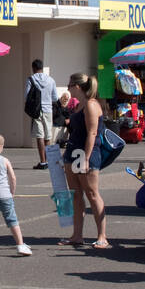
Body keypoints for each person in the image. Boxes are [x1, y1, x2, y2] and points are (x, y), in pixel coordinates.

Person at [58, 73, 108, 249]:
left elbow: (92, 133)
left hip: (87, 153)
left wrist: (86, 158)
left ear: (77, 86)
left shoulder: (92, 105)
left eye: (70, 85)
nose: (68, 88)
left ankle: (102, 236)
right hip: (73, 152)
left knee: (92, 193)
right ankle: (77, 235)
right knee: (76, 195)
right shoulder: (78, 105)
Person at [25, 59, 58, 169]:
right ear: (42, 68)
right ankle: (48, 161)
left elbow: (27, 96)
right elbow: (55, 98)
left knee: (40, 135)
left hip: (36, 110)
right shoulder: (51, 80)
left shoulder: (31, 79)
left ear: (33, 68)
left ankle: (42, 162)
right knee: (48, 136)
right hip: (48, 109)